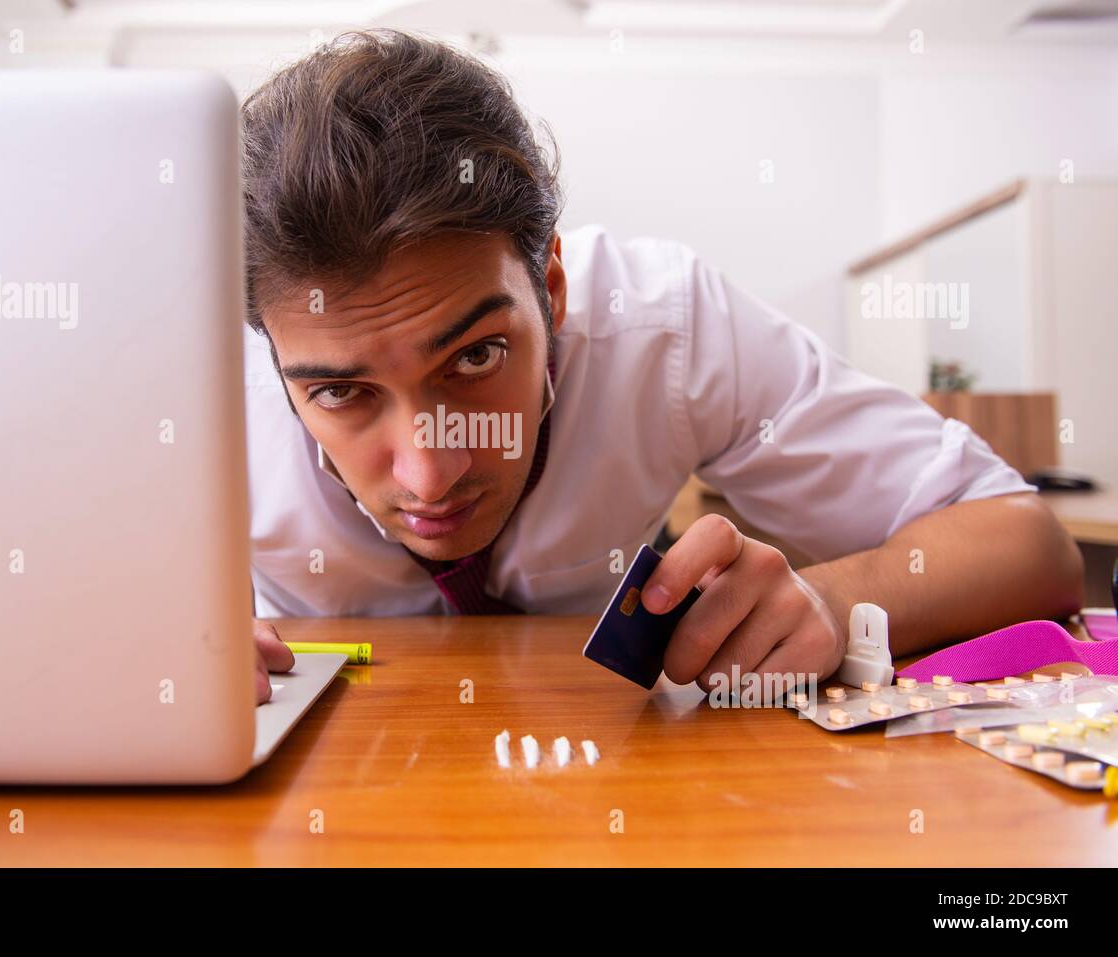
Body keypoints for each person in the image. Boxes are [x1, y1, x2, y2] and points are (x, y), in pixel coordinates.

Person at [241, 29, 1083, 703]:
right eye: (340, 391)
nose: (431, 474)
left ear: (553, 291)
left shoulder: (665, 324)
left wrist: (833, 600)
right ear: (270, 357)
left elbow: (1030, 545)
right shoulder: (207, 389)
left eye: (476, 355)